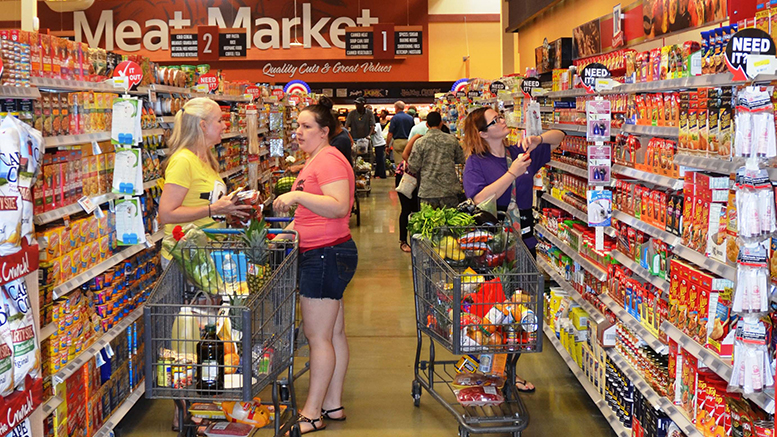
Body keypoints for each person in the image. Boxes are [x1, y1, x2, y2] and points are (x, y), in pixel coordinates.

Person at [157, 97, 253, 432]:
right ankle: (185, 410)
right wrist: (216, 211)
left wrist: (233, 211)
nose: (224, 126)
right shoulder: (183, 161)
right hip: (183, 261)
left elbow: (207, 204)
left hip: (206, 261)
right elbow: (166, 214)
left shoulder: (205, 159)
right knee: (185, 337)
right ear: (201, 125)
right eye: (219, 121)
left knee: (204, 337)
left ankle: (201, 403)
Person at [461, 107, 564, 393]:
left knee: (520, 310)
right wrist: (511, 173)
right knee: (494, 311)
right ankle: (498, 371)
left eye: (501, 116)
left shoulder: (520, 150)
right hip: (494, 246)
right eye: (496, 120)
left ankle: (508, 369)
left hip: (525, 241)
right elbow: (479, 198)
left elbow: (560, 137)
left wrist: (537, 138)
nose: (503, 121)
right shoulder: (476, 163)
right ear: (483, 132)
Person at [273, 102, 358, 434]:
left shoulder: (329, 160)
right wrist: (284, 234)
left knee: (317, 337)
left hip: (324, 254)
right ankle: (332, 404)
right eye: (297, 126)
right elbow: (308, 215)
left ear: (325, 131)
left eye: (307, 126)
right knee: (333, 333)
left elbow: (338, 207)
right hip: (324, 251)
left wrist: (296, 197)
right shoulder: (316, 161)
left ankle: (310, 413)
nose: (298, 132)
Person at [406, 111, 465, 208]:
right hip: (449, 190)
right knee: (450, 220)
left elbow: (413, 167)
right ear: (441, 123)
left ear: (427, 124)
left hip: (427, 191)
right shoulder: (452, 140)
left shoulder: (420, 142)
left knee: (429, 221)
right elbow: (461, 159)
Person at [386, 100, 415, 165]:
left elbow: (390, 133)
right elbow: (413, 130)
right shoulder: (410, 118)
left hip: (398, 142)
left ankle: (400, 174)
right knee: (407, 161)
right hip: (408, 141)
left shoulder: (394, 118)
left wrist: (387, 145)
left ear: (396, 108)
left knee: (399, 162)